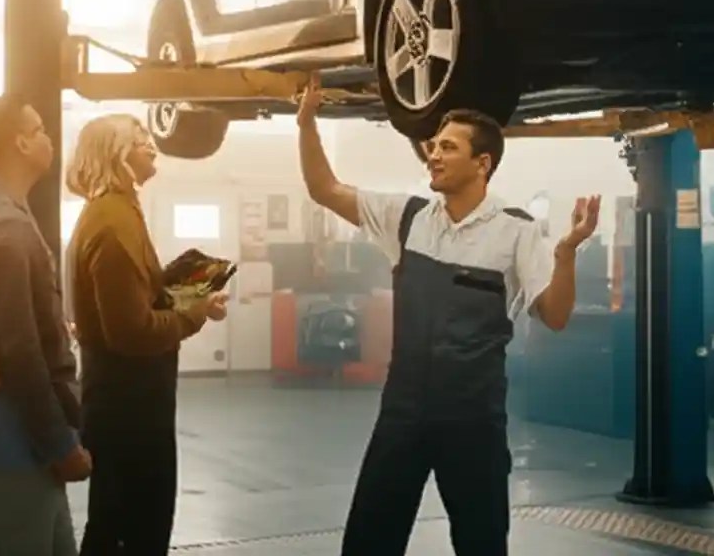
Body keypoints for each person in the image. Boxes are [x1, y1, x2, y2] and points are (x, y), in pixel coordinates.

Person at [296, 76, 600, 556]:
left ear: (483, 163)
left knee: (481, 544)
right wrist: (307, 123)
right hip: (403, 413)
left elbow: (556, 315)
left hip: (473, 420)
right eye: (434, 145)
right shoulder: (409, 218)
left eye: (448, 147)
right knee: (369, 542)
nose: (434, 154)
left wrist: (565, 253)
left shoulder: (516, 232)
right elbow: (324, 188)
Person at [64, 114, 229, 555]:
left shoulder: (117, 213)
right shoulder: (112, 225)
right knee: (135, 531)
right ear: (116, 154)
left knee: (114, 523)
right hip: (130, 413)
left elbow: (135, 300)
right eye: (140, 139)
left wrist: (183, 291)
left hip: (127, 406)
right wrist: (193, 312)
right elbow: (132, 332)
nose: (152, 145)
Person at [0, 93, 92, 556]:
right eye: (41, 130)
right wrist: (58, 446)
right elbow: (17, 354)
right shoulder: (7, 228)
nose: (50, 139)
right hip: (18, 438)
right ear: (21, 144)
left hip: (12, 428)